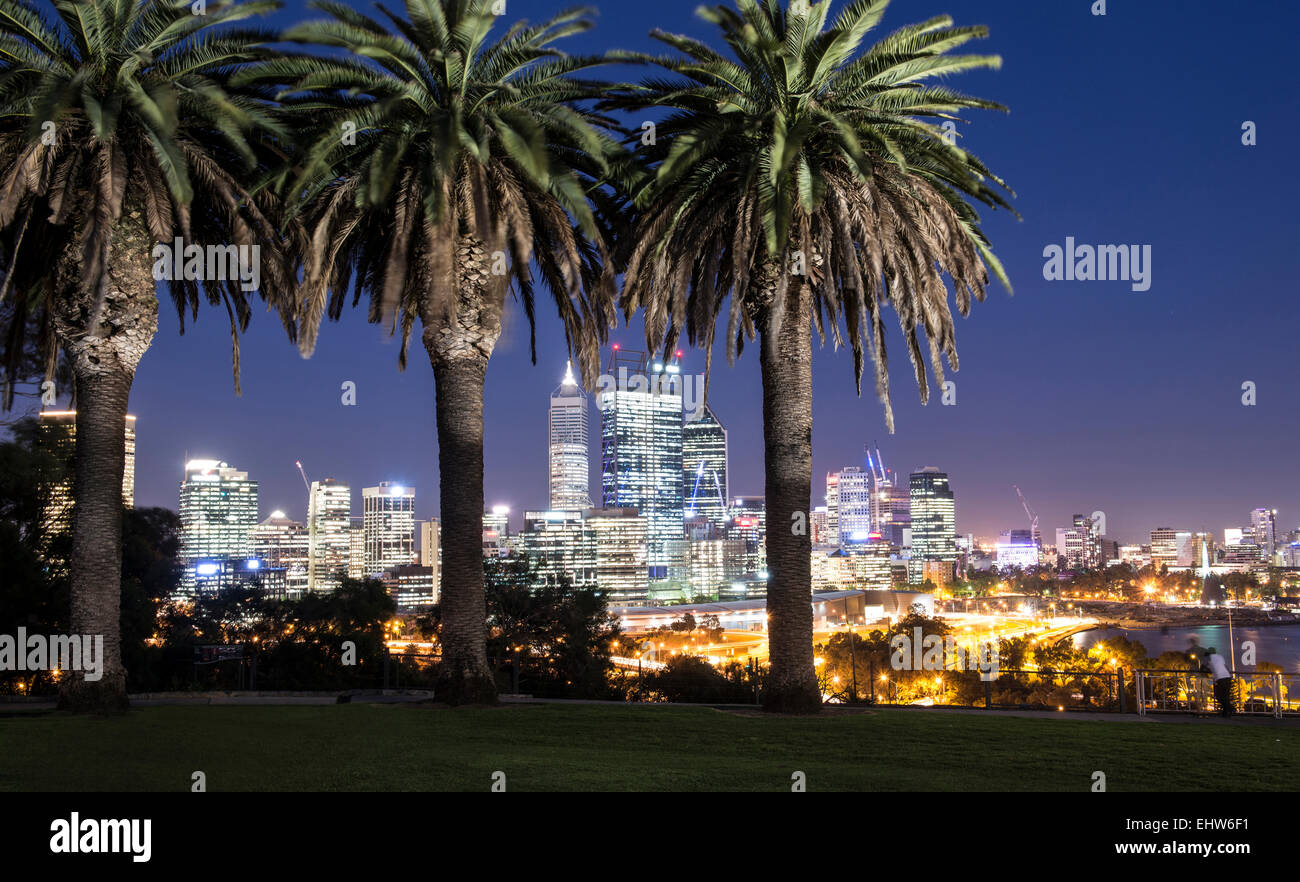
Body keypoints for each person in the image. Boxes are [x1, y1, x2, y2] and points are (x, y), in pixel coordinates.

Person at [1203, 647, 1234, 717]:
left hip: (1220, 678)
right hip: (1227, 677)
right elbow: (1225, 666)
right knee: (1225, 696)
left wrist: (1210, 670)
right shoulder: (1220, 656)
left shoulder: (1208, 658)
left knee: (1218, 696)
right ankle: (1226, 713)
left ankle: (1230, 708)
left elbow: (1203, 668)